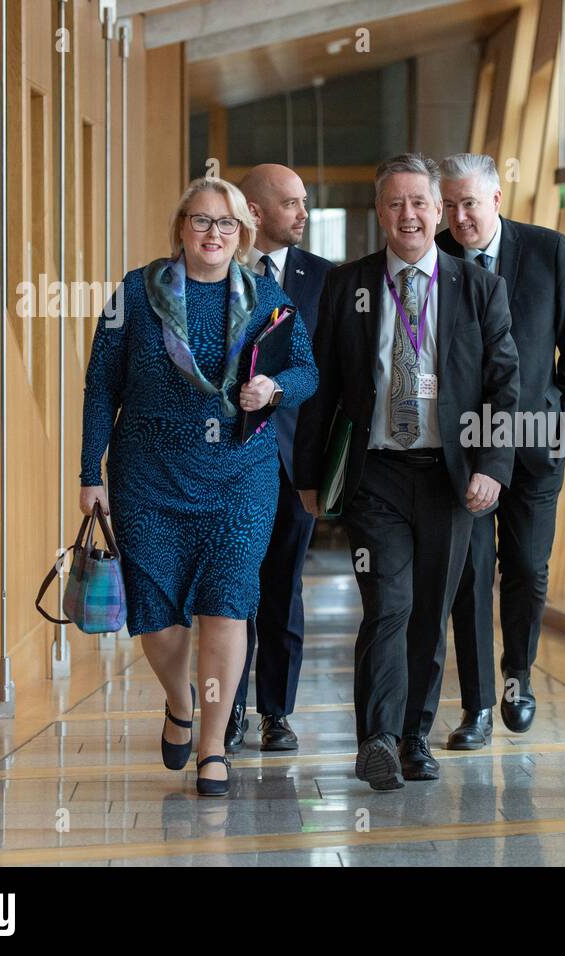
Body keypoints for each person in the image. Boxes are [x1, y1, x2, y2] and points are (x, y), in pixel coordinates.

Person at [79, 177, 318, 797]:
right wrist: (89, 474)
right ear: (180, 226)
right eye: (202, 220)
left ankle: (212, 746)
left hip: (240, 472)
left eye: (227, 224)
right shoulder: (136, 291)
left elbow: (307, 368)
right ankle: (180, 700)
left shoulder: (267, 296)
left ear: (242, 235)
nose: (214, 234)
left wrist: (274, 389)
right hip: (149, 475)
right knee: (157, 617)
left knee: (226, 607)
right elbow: (100, 385)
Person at [293, 153, 519, 791]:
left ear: (439, 210)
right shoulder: (350, 286)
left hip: (450, 477)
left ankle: (416, 736)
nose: (409, 215)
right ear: (379, 213)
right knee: (387, 604)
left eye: (420, 203)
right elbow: (324, 386)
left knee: (431, 611)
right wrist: (312, 476)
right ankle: (380, 740)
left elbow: (505, 385)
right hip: (378, 476)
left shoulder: (477, 288)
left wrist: (493, 465)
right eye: (395, 204)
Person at [436, 153, 565, 748]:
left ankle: (516, 678)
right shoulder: (437, 259)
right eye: (448, 205)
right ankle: (476, 706)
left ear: (496, 200)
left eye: (469, 204)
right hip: (465, 453)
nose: (458, 217)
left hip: (533, 447)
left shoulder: (548, 250)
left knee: (526, 570)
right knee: (472, 576)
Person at [224, 164, 334, 754]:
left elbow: (331, 374)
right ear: (257, 212)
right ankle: (229, 709)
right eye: (292, 203)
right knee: (231, 589)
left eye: (306, 202)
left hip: (297, 463)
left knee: (284, 589)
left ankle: (276, 713)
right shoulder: (219, 272)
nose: (303, 213)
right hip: (231, 463)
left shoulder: (324, 279)